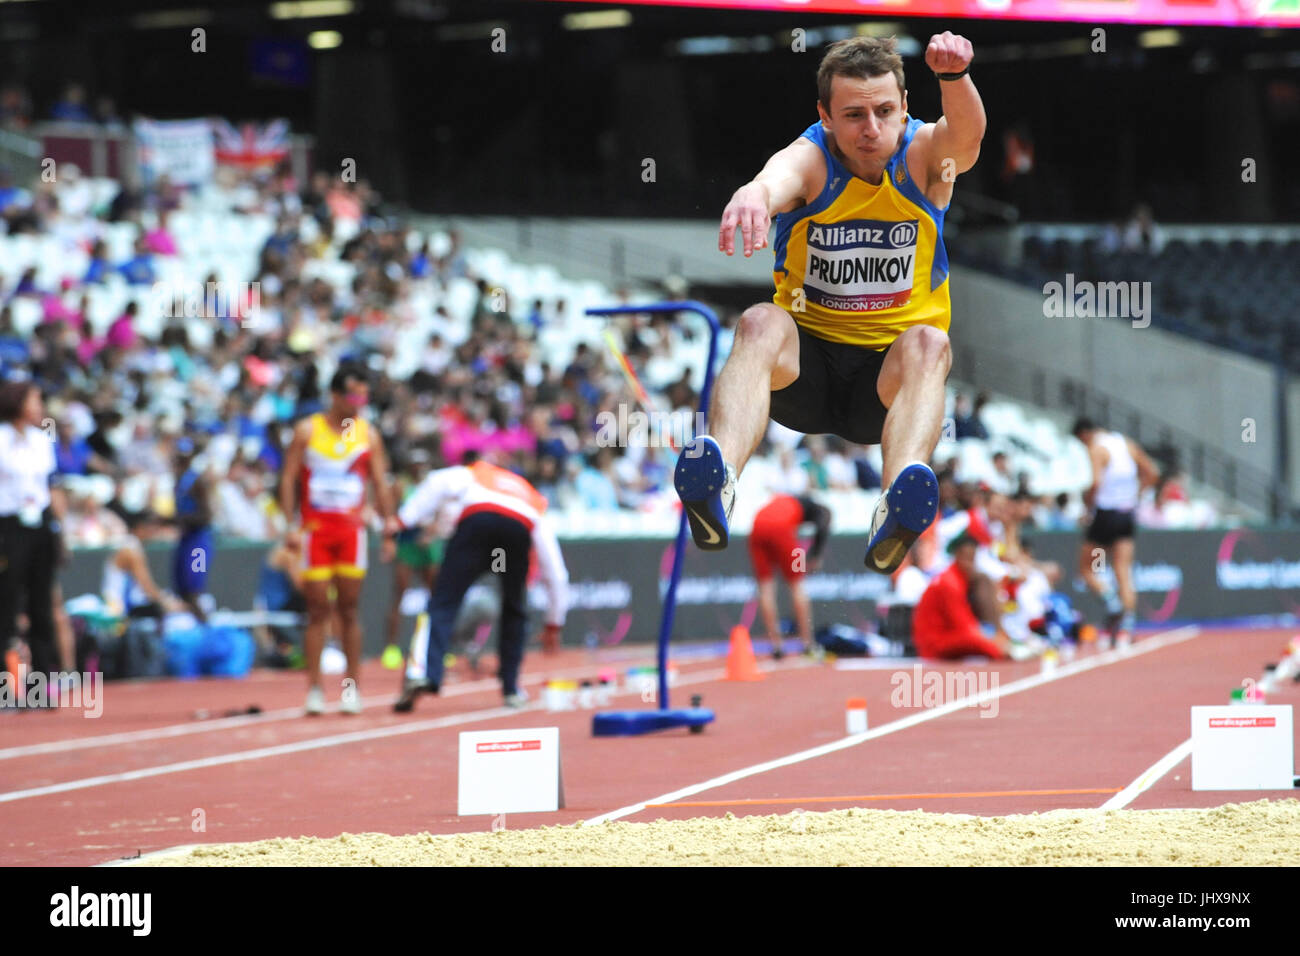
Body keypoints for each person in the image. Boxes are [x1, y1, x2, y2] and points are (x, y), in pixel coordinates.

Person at [673, 33, 985, 575]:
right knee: (759, 320)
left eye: (885, 111)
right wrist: (753, 194)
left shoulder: (926, 158)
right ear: (825, 115)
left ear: (906, 107)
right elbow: (778, 178)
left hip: (883, 388)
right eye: (854, 115)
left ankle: (897, 502)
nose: (871, 129)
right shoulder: (813, 159)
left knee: (931, 344)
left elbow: (967, 135)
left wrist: (954, 78)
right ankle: (718, 478)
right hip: (806, 374)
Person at [386, 452, 569, 712]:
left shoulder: (477, 472)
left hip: (477, 524)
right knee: (514, 608)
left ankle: (424, 672)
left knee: (442, 603)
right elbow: (556, 572)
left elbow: (436, 484)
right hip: (514, 533)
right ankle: (511, 687)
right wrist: (554, 622)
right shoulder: (531, 496)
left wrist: (403, 520)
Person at [280, 365, 395, 715]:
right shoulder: (306, 430)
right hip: (315, 531)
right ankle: (314, 689)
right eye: (353, 395)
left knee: (348, 609)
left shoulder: (368, 434)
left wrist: (387, 525)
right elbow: (288, 480)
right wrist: (289, 525)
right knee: (316, 610)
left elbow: (380, 480)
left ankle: (351, 688)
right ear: (335, 396)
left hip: (351, 533)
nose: (360, 402)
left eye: (364, 395)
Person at [0, 380, 67, 691]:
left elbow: (51, 486)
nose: (40, 408)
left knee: (41, 604)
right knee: (7, 603)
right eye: (34, 401)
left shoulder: (42, 440)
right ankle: (6, 685)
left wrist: (59, 531)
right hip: (8, 525)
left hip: (39, 523)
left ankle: (40, 683)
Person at [1072, 418, 1159, 645]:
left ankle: (1112, 603)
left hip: (1105, 514)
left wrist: (1087, 508)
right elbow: (1151, 473)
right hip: (1126, 514)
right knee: (1122, 571)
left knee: (1087, 569)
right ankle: (1127, 627)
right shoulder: (1126, 444)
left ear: (1084, 434)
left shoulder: (1096, 448)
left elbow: (1096, 483)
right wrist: (1136, 496)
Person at [912, 534, 1031, 660]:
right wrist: (996, 646)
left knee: (982, 634)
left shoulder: (961, 579)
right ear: (957, 556)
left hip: (946, 635)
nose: (969, 565)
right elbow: (965, 626)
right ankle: (1007, 651)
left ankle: (1006, 645)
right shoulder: (949, 583)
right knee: (976, 639)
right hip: (933, 643)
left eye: (972, 559)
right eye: (966, 558)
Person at [748, 493, 831, 658]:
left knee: (765, 588)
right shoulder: (808, 509)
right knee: (797, 586)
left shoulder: (783, 500)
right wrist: (815, 557)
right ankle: (808, 643)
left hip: (756, 527)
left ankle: (776, 645)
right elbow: (823, 525)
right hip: (782, 532)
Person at [172, 437, 214, 623]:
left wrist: (178, 519)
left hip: (199, 542)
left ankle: (205, 628)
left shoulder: (196, 482)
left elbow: (206, 516)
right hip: (186, 540)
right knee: (181, 588)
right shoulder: (178, 482)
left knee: (194, 589)